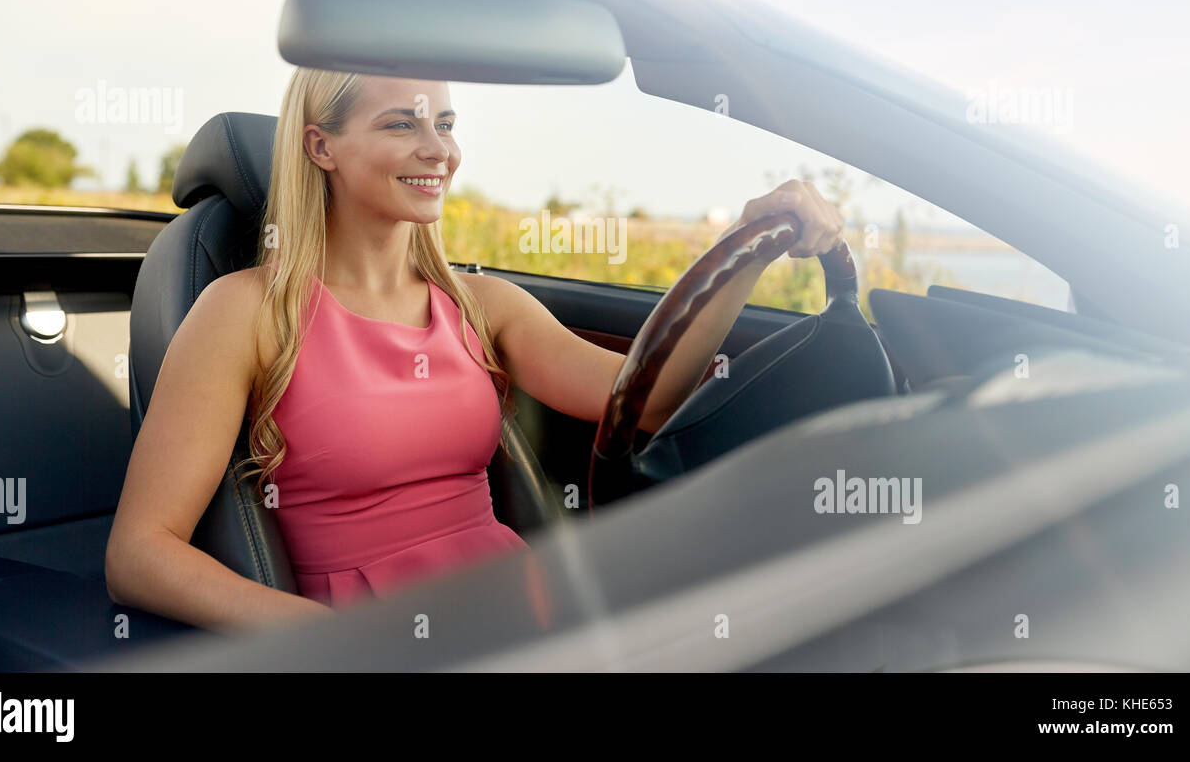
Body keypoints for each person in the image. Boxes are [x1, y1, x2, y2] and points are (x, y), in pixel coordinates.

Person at [105, 68, 844, 631]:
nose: (439, 150)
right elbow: (139, 554)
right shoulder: (245, 312)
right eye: (402, 125)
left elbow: (643, 398)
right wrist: (330, 644)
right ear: (320, 145)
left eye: (446, 123)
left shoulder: (480, 305)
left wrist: (745, 252)